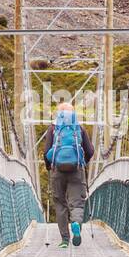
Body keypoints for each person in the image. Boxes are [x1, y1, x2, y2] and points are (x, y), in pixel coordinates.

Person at [39, 102, 93, 248]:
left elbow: (46, 153)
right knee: (77, 202)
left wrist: (50, 167)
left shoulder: (53, 128)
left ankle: (64, 240)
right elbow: (90, 151)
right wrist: (83, 163)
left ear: (59, 114)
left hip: (58, 171)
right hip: (77, 170)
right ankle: (76, 223)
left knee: (60, 203)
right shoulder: (79, 128)